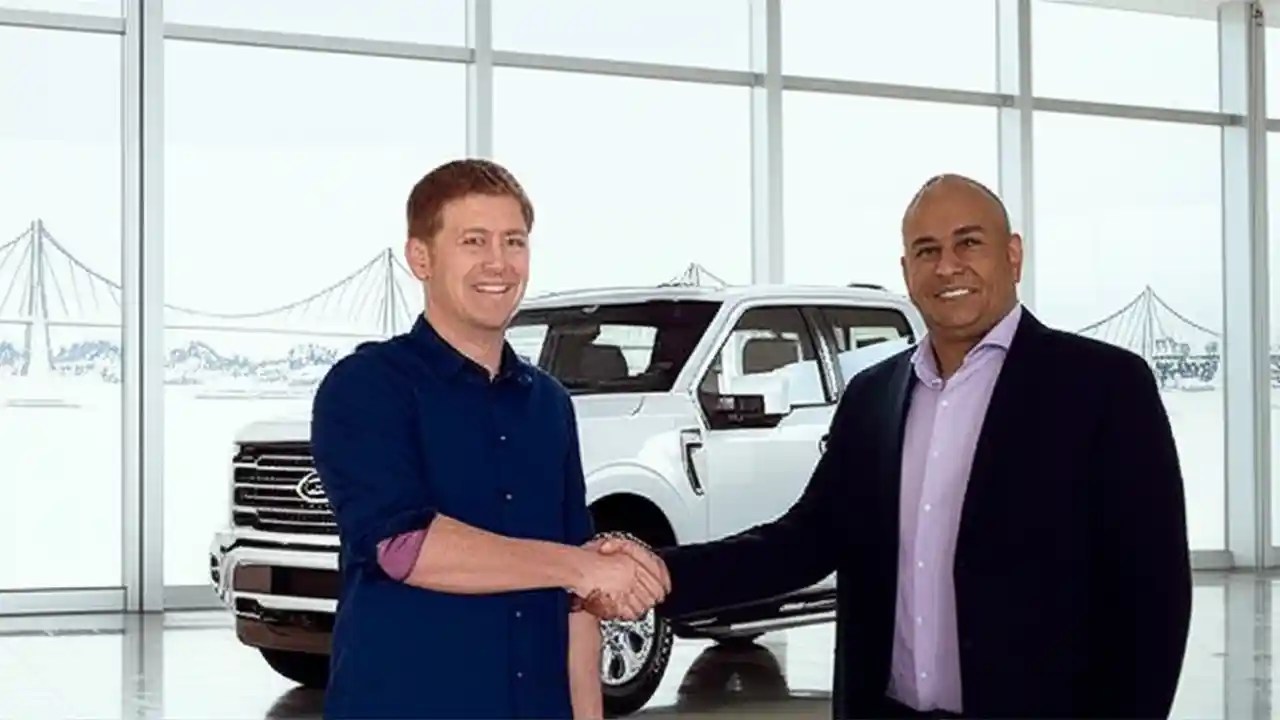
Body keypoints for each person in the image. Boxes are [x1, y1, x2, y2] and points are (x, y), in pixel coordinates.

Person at [594, 174, 1193, 718]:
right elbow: (798, 543)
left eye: (969, 244)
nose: (947, 267)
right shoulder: (873, 396)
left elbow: (1154, 595)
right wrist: (654, 575)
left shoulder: (1105, 387)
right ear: (907, 270)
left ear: (1013, 255)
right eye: (927, 251)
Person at [310, 158, 668, 720]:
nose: (498, 263)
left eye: (514, 242)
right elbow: (404, 549)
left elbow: (579, 603)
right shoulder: (367, 386)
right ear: (420, 258)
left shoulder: (550, 404)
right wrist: (581, 567)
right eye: (473, 241)